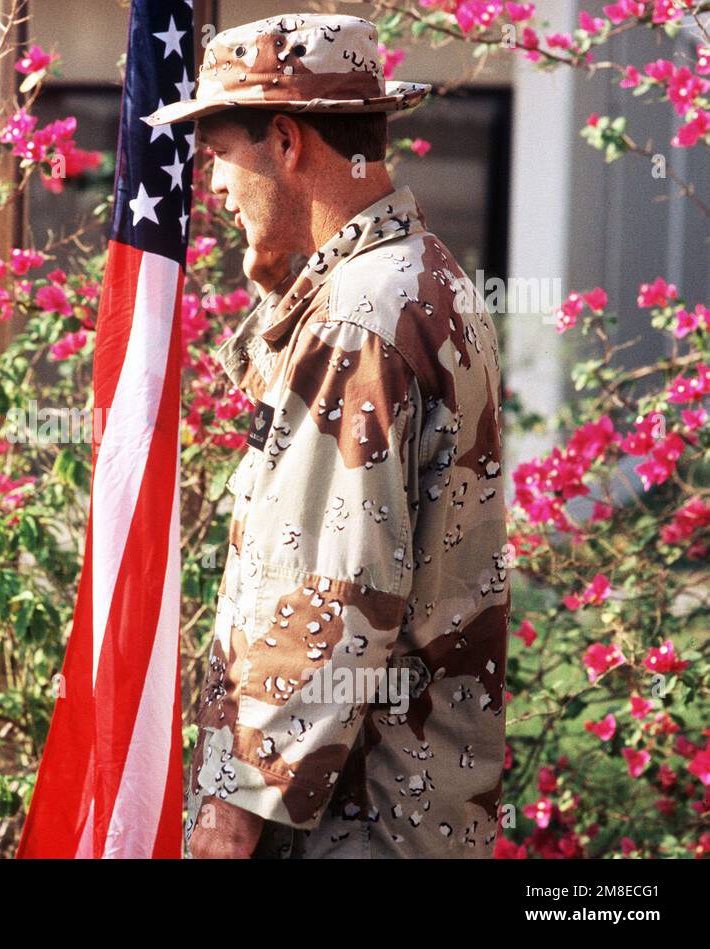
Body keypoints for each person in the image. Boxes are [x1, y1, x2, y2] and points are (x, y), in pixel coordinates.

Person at [147, 13, 510, 858]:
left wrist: (233, 812)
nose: (214, 187)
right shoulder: (425, 279)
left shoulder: (361, 313)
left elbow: (330, 587)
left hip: (345, 828)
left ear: (285, 140)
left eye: (218, 154)